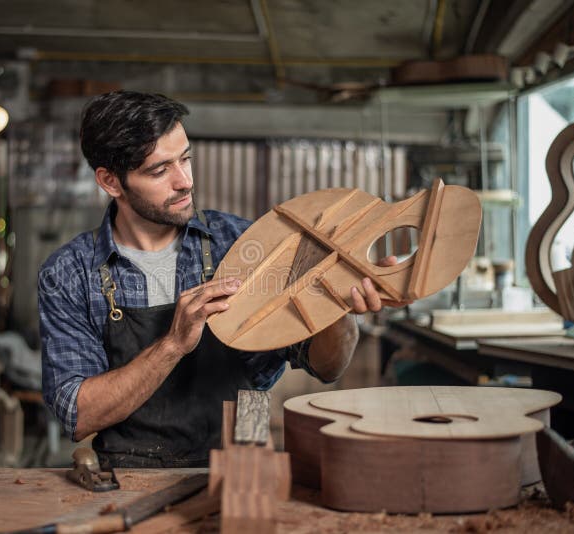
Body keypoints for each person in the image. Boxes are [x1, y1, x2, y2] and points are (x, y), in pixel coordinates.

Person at [39, 91, 399, 468]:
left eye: (186, 159)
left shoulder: (245, 244)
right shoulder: (69, 273)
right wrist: (173, 344)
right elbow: (77, 415)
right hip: (131, 473)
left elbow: (327, 367)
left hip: (246, 457)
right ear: (111, 182)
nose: (184, 182)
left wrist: (339, 307)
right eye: (160, 170)